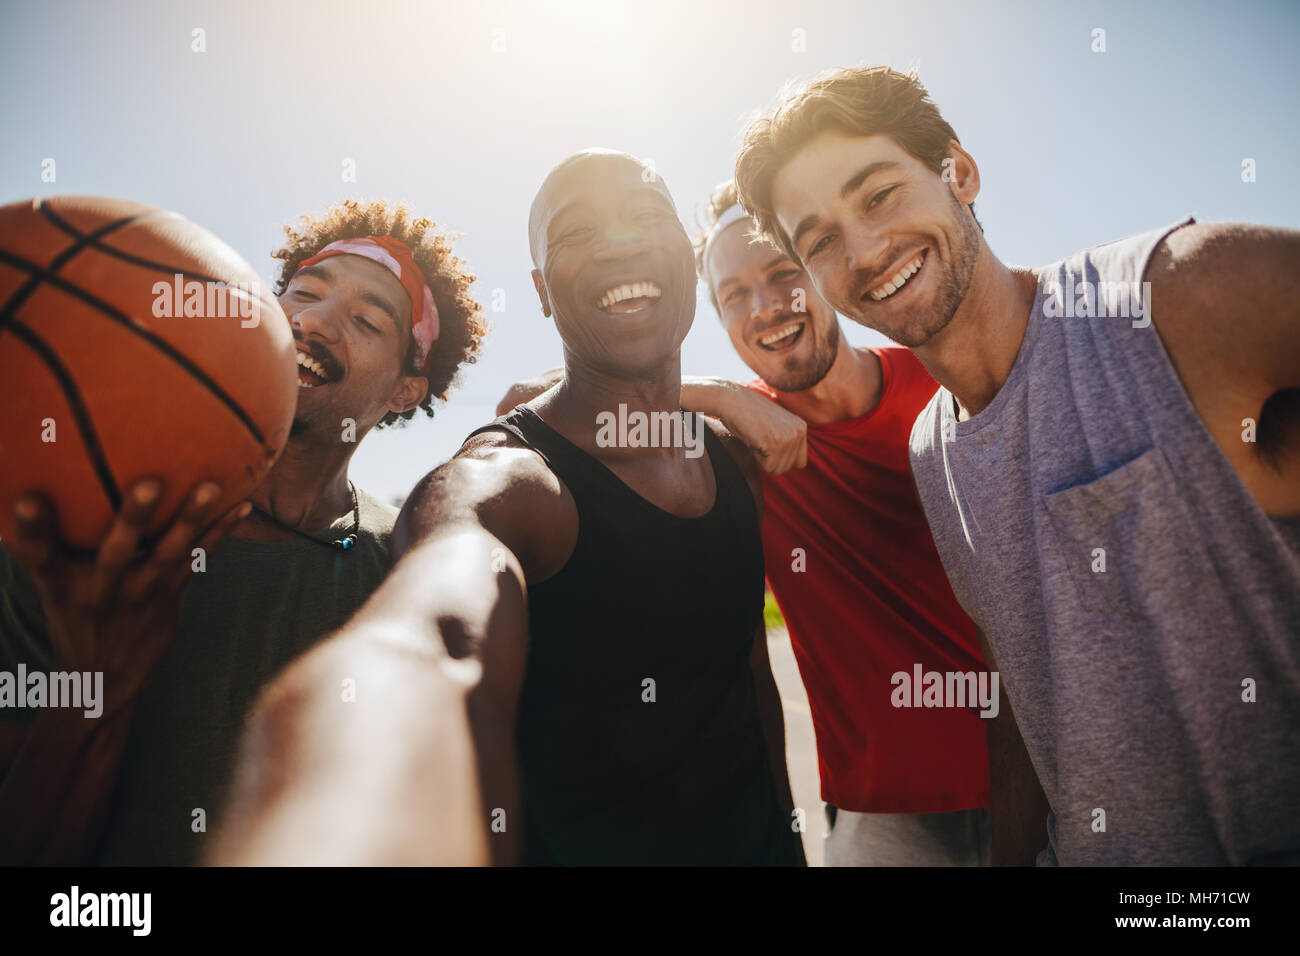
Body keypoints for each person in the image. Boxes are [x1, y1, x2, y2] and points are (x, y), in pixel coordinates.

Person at [733, 65, 1300, 866]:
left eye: (879, 195)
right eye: (820, 240)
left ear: (958, 172)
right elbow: (1023, 695)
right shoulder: (932, 450)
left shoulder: (1167, 296)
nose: (862, 251)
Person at [211, 150, 807, 866]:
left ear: (687, 250)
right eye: (577, 233)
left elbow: (747, 672)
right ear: (542, 292)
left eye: (645, 217)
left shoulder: (735, 460)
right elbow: (434, 643)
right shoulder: (509, 483)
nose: (620, 244)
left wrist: (791, 837)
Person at [499, 181, 1000, 866]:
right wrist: (728, 398)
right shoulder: (737, 453)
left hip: (1037, 766)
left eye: (784, 275)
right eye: (733, 295)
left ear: (824, 271)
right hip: (881, 813)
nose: (765, 309)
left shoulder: (940, 381)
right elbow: (537, 399)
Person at [0, 199, 486, 864]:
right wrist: (98, 683)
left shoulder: (404, 564)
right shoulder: (93, 524)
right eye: (302, 293)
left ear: (406, 388)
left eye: (367, 319)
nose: (311, 321)